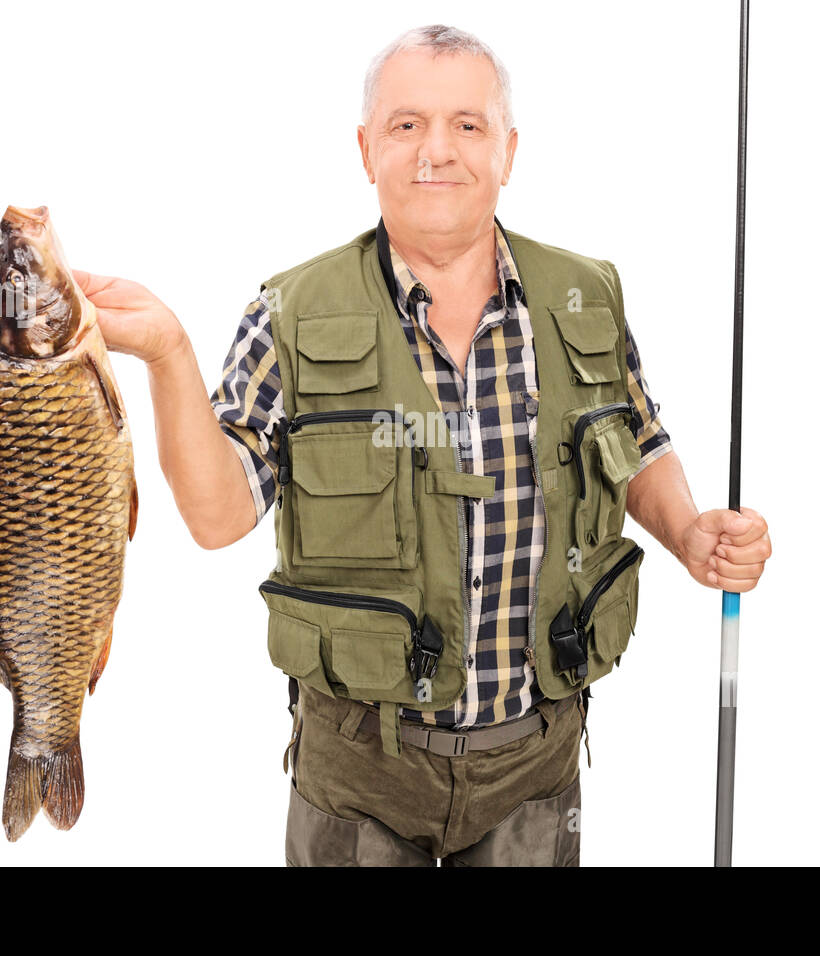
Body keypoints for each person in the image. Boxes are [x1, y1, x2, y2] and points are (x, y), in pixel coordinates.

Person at [73, 24, 772, 866]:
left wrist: (691, 529)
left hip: (536, 768)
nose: (435, 150)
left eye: (467, 125)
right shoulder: (289, 313)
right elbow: (219, 516)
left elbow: (637, 442)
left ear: (508, 151)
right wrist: (168, 353)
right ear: (366, 149)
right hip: (359, 777)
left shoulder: (585, 297)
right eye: (406, 125)